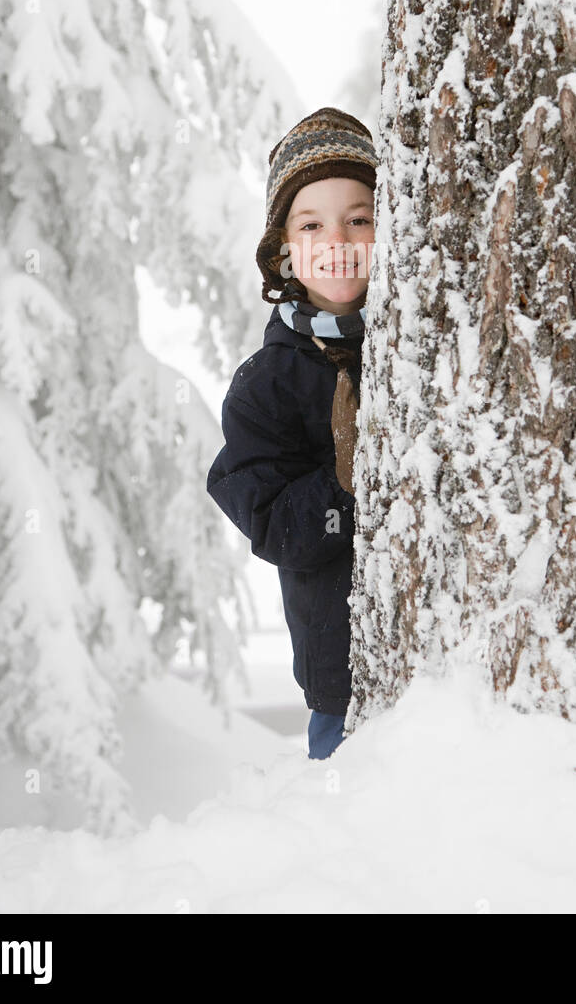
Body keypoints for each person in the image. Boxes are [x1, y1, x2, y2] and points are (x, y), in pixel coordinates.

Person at [205, 107, 377, 760]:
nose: (338, 237)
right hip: (346, 685)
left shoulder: (433, 342)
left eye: (359, 218)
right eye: (312, 223)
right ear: (284, 252)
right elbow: (276, 528)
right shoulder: (269, 383)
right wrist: (343, 473)